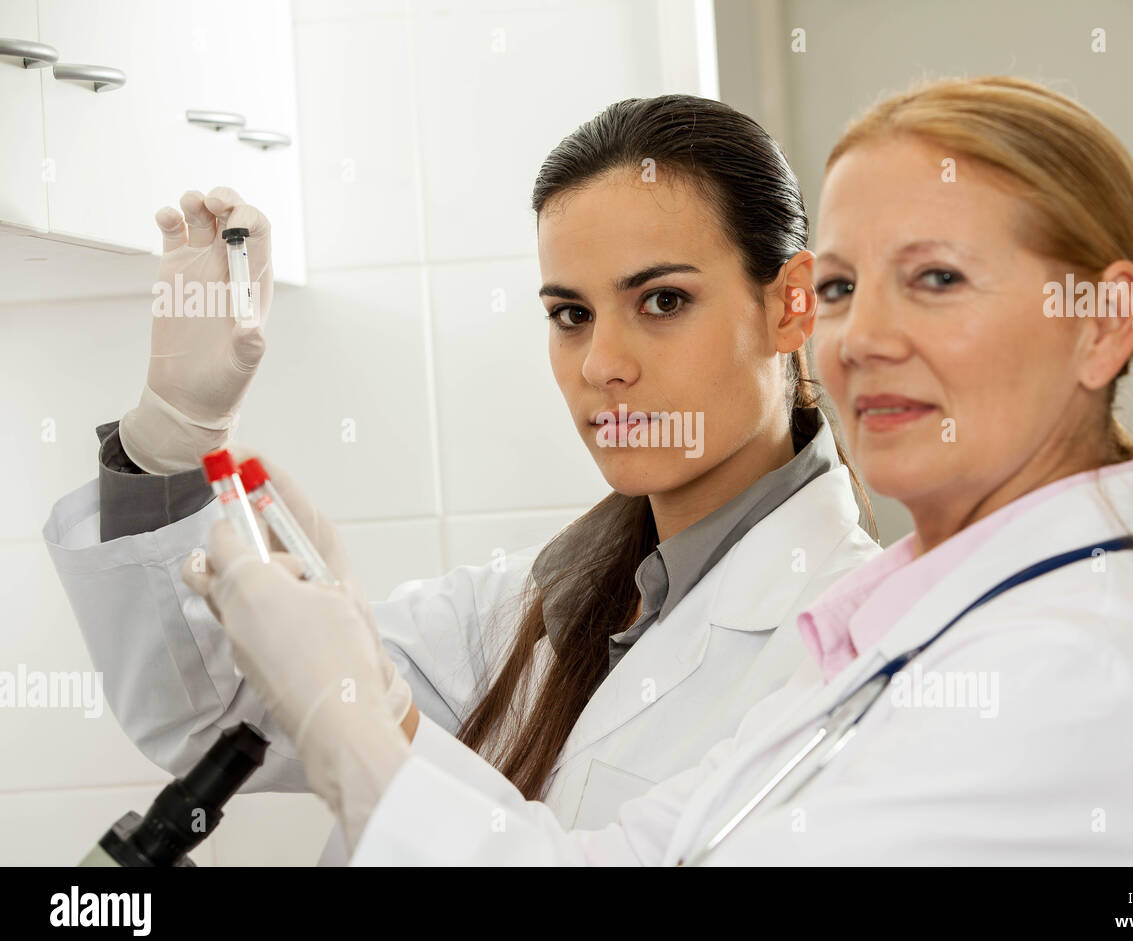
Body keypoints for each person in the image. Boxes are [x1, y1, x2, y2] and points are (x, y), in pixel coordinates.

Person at [193, 76, 1133, 865]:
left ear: (1103, 324)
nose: (863, 340)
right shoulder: (902, 629)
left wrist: (344, 711)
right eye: (846, 288)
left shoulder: (1062, 674)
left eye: (937, 278)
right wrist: (358, 684)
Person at [42, 95, 881, 862]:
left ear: (790, 305)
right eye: (570, 315)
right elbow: (215, 716)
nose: (602, 364)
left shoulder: (849, 652)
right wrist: (170, 439)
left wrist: (374, 709)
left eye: (662, 301)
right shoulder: (518, 608)